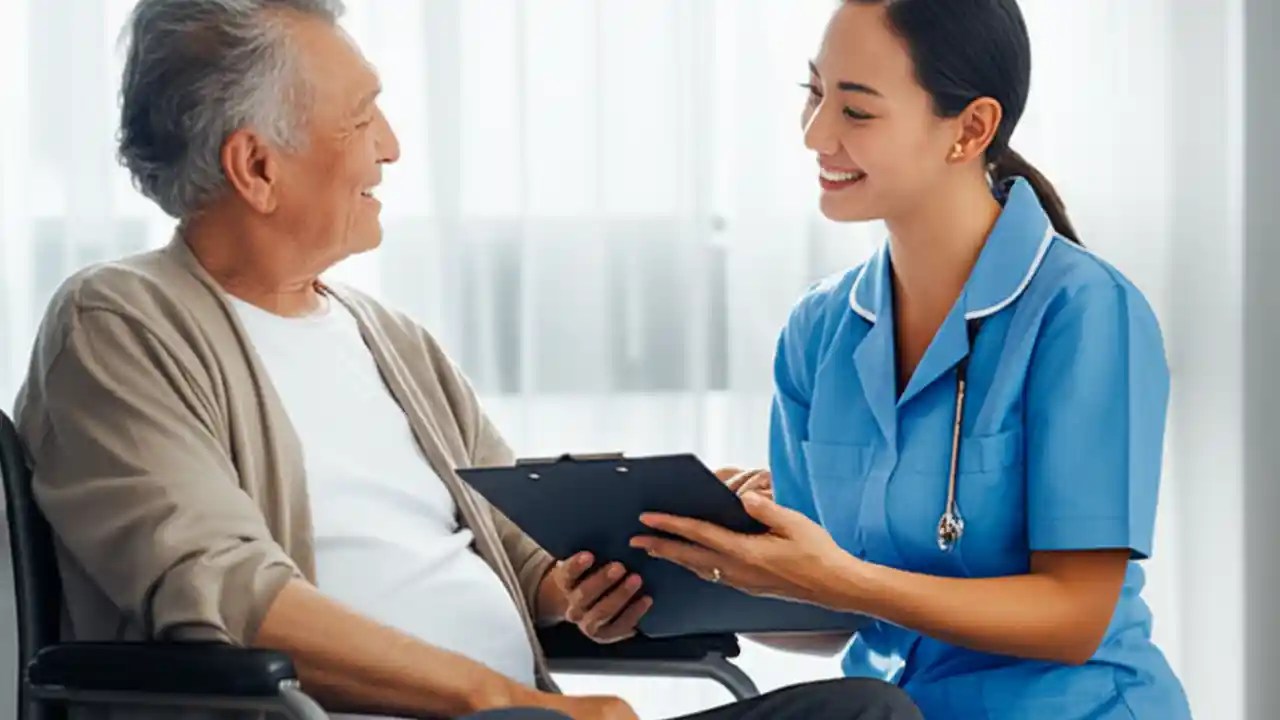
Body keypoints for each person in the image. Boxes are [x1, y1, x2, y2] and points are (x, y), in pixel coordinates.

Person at [12, 1, 922, 718]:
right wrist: (501, 699)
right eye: (362, 119)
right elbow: (227, 596)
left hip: (514, 714)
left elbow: (517, 552)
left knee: (865, 711)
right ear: (256, 167)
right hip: (421, 715)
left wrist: (576, 586)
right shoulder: (120, 324)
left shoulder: (388, 338)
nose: (391, 147)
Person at [630, 1, 1193, 718]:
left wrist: (843, 580)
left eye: (857, 111)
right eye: (814, 93)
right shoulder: (819, 330)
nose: (815, 134)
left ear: (971, 129)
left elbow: (1074, 618)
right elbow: (827, 617)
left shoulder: (1083, 313)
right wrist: (702, 568)